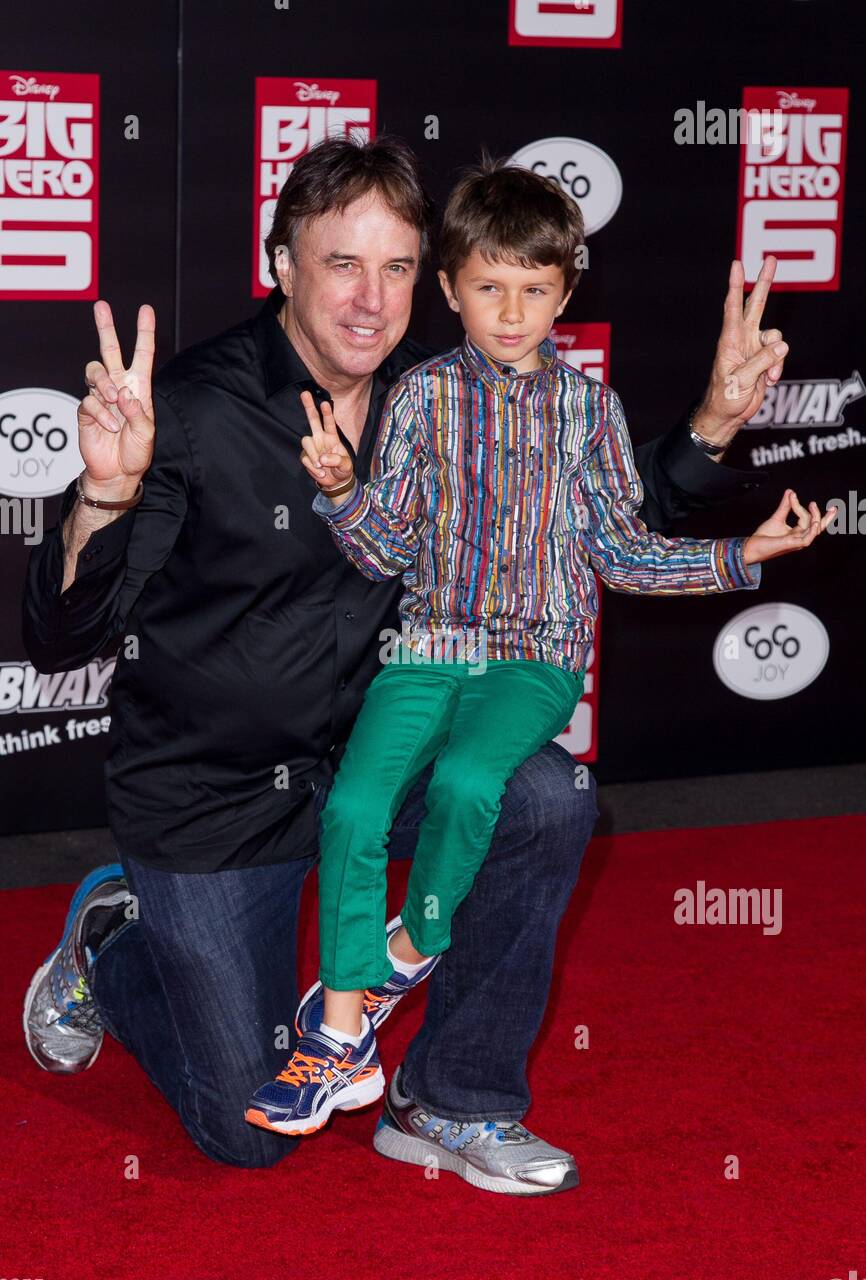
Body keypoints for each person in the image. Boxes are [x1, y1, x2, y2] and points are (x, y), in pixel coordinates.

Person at [22, 134, 795, 1194]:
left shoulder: (440, 402)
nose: (367, 299)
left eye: (393, 267)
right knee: (246, 1132)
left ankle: (451, 1096)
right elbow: (62, 637)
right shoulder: (193, 411)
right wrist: (104, 496)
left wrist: (711, 422)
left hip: (371, 756)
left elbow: (590, 530)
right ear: (280, 264)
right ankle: (112, 941)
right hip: (214, 790)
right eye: (339, 262)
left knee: (543, 797)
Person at [244, 157, 833, 1143]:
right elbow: (384, 546)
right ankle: (336, 1037)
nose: (509, 313)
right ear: (449, 288)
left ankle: (410, 943)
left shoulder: (586, 410)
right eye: (486, 288)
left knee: (476, 783)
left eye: (533, 291)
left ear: (565, 291)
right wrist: (343, 489)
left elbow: (625, 553)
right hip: (427, 648)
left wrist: (741, 554)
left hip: (532, 659)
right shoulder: (422, 398)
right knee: (350, 805)